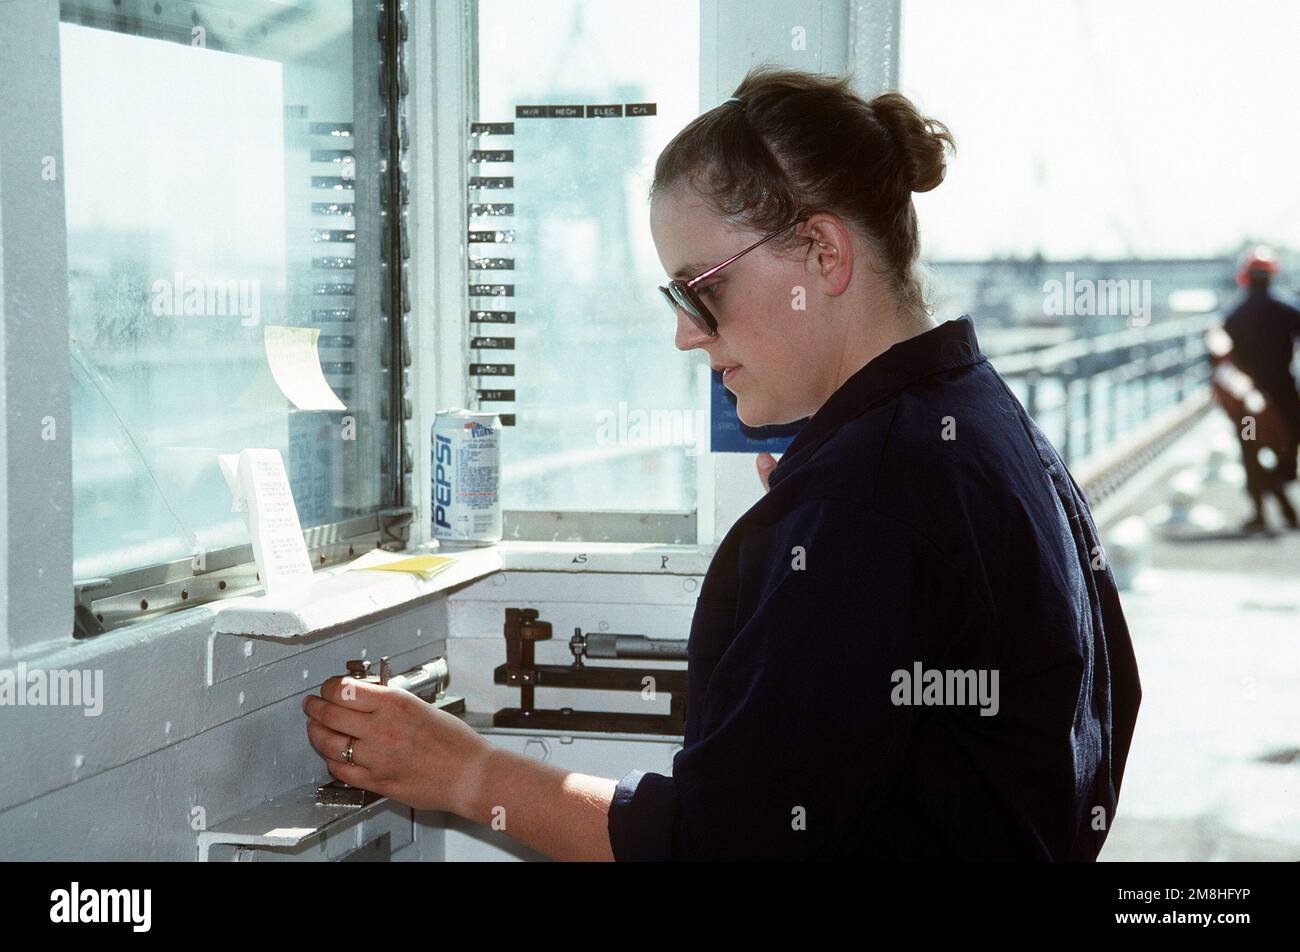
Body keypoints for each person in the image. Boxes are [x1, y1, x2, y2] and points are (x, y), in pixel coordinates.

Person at [302, 66, 1141, 861]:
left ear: (823, 254)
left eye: (701, 290)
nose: (686, 332)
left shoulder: (873, 495)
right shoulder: (983, 420)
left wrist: (465, 772)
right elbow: (1108, 702)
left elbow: (723, 850)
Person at [1219, 247, 1300, 532]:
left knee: (1251, 450)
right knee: (1289, 448)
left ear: (1246, 278)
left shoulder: (1233, 316)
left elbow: (1221, 359)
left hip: (1249, 399)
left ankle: (1261, 511)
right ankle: (1282, 492)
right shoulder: (1289, 310)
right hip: (1285, 394)